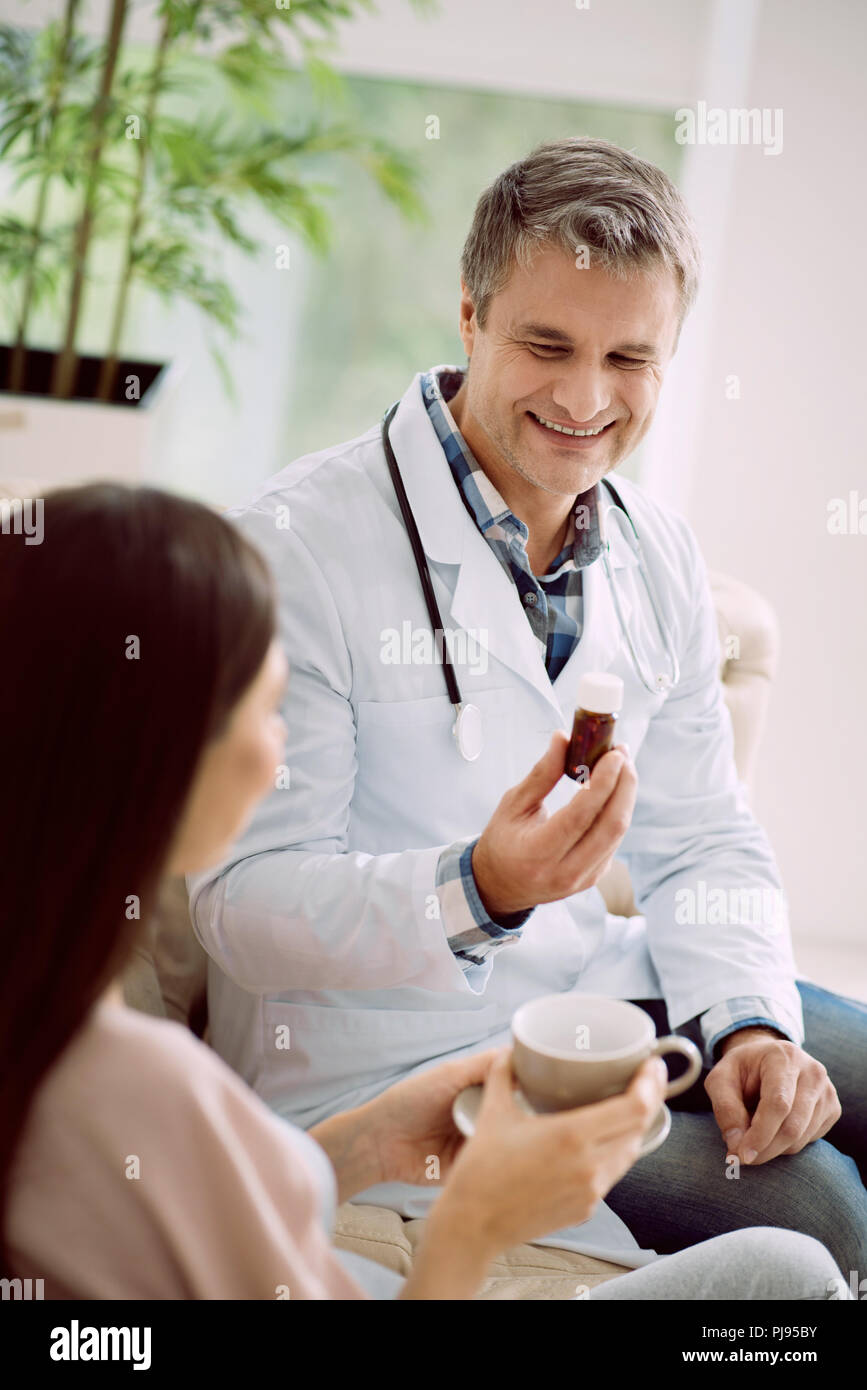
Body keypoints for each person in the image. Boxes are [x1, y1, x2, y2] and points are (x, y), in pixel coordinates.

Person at [187, 136, 867, 1277]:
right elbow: (239, 906)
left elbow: (702, 836)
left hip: (599, 988)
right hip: (395, 1060)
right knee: (826, 1215)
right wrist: (480, 888)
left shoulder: (657, 553)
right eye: (546, 345)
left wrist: (747, 1019)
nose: (586, 399)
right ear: (469, 317)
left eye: (630, 358)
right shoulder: (301, 545)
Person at [0, 483, 848, 1301]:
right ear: (150, 752)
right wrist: (472, 1230)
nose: (281, 753)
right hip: (385, 1076)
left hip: (580, 988)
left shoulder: (71, 1043)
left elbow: (706, 830)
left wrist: (369, 1142)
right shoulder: (128, 1088)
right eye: (266, 711)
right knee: (799, 1259)